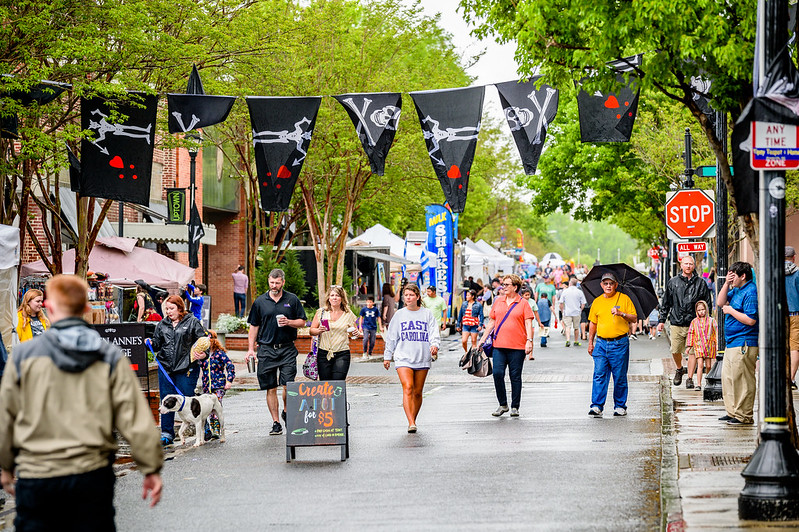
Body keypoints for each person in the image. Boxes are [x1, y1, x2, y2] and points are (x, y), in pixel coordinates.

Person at [0, 275, 162, 530]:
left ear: (50, 307)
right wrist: (150, 467)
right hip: (91, 473)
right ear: (86, 309)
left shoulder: (23, 356)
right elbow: (134, 417)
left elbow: (7, 416)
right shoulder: (109, 356)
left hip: (38, 474)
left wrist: (6, 465)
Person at [245, 268, 306, 436]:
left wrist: (290, 322)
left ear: (283, 282)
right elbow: (254, 326)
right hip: (266, 349)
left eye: (277, 283)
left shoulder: (291, 299)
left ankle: (286, 410)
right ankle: (276, 422)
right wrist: (250, 349)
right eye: (271, 282)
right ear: (268, 282)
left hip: (286, 348)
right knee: (270, 387)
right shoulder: (260, 302)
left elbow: (302, 321)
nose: (274, 285)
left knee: (288, 385)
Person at [151, 294, 207, 446]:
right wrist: (149, 342)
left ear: (180, 308)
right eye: (166, 309)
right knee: (166, 400)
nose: (168, 312)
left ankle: (204, 427)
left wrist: (204, 354)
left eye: (171, 308)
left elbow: (203, 341)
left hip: (186, 368)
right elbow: (157, 344)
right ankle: (167, 434)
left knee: (188, 400)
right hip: (166, 368)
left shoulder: (192, 322)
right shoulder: (162, 324)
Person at [383, 284, 440, 433]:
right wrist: (387, 356)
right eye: (406, 295)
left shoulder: (427, 314)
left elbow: (434, 332)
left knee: (418, 392)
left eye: (411, 295)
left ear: (418, 297)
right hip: (403, 357)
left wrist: (434, 345)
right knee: (408, 387)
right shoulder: (399, 315)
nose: (408, 298)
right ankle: (411, 422)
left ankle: (413, 417)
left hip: (422, 356)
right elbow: (392, 337)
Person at [479, 274, 535, 418]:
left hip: (517, 346)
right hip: (499, 345)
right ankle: (503, 404)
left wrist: (529, 341)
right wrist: (482, 340)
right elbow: (491, 322)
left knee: (515, 376)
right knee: (497, 373)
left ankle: (515, 406)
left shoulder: (523, 303)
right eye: (503, 284)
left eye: (506, 285)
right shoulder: (498, 301)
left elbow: (528, 323)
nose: (503, 287)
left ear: (515, 287)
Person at [587, 272, 637, 418]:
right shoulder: (597, 302)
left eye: (611, 283)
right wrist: (591, 342)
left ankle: (620, 406)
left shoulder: (624, 299)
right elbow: (593, 323)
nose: (608, 286)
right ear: (601, 285)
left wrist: (622, 313)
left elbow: (634, 318)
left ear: (616, 285)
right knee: (599, 375)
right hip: (601, 343)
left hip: (619, 343)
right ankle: (596, 405)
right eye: (605, 283)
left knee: (619, 375)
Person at [657, 255, 711, 386]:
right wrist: (661, 320)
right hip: (677, 321)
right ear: (681, 265)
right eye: (686, 264)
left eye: (690, 264)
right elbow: (666, 303)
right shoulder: (673, 282)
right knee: (675, 350)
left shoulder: (700, 283)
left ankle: (690, 378)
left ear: (693, 266)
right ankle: (679, 369)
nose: (688, 266)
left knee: (693, 352)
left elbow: (706, 302)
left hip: (694, 323)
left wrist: (706, 321)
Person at [716, 261, 758, 425]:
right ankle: (733, 411)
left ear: (743, 276)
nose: (731, 278)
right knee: (729, 378)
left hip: (744, 341)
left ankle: (744, 415)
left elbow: (751, 320)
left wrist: (731, 311)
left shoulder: (750, 292)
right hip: (732, 342)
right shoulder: (737, 290)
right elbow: (720, 302)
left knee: (743, 380)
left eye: (733, 275)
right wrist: (726, 283)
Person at [309, 286, 359, 380]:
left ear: (342, 298)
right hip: (323, 353)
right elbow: (311, 331)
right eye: (332, 295)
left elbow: (353, 333)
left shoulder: (348, 314)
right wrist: (319, 330)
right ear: (328, 298)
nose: (334, 298)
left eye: (337, 295)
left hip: (342, 353)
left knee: (338, 384)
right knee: (325, 385)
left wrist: (355, 334)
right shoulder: (321, 312)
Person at [198, 329, 236, 440]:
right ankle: (211, 429)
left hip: (218, 385)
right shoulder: (203, 355)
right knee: (208, 408)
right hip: (206, 386)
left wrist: (229, 381)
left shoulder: (219, 353)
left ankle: (216, 430)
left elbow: (230, 367)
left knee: (216, 407)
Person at [685, 300, 717, 391]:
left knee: (708, 365)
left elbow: (715, 332)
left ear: (706, 309)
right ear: (696, 311)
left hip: (708, 346)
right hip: (698, 346)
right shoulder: (694, 322)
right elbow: (691, 333)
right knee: (700, 365)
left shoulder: (712, 321)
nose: (701, 312)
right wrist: (689, 346)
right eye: (699, 310)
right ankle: (698, 384)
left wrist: (716, 344)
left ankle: (708, 381)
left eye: (703, 309)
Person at [786, 246, 799, 390]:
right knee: (794, 348)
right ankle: (791, 378)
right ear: (793, 257)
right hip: (795, 314)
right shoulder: (797, 273)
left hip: (778, 316)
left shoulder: (774, 272)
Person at [560, 279, 586, 347]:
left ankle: (568, 340)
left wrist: (562, 310)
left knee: (567, 327)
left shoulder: (565, 291)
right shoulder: (579, 292)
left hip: (567, 312)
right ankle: (576, 341)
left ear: (570, 284)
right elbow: (583, 303)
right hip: (576, 312)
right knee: (576, 327)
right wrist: (580, 310)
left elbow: (561, 303)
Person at [457, 289, 484, 353]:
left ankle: (473, 356)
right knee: (464, 341)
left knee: (474, 341)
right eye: (466, 295)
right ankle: (466, 352)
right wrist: (458, 324)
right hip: (465, 325)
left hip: (474, 325)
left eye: (468, 295)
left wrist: (480, 325)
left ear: (473, 296)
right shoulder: (464, 304)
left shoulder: (478, 305)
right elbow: (460, 314)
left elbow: (481, 315)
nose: (466, 297)